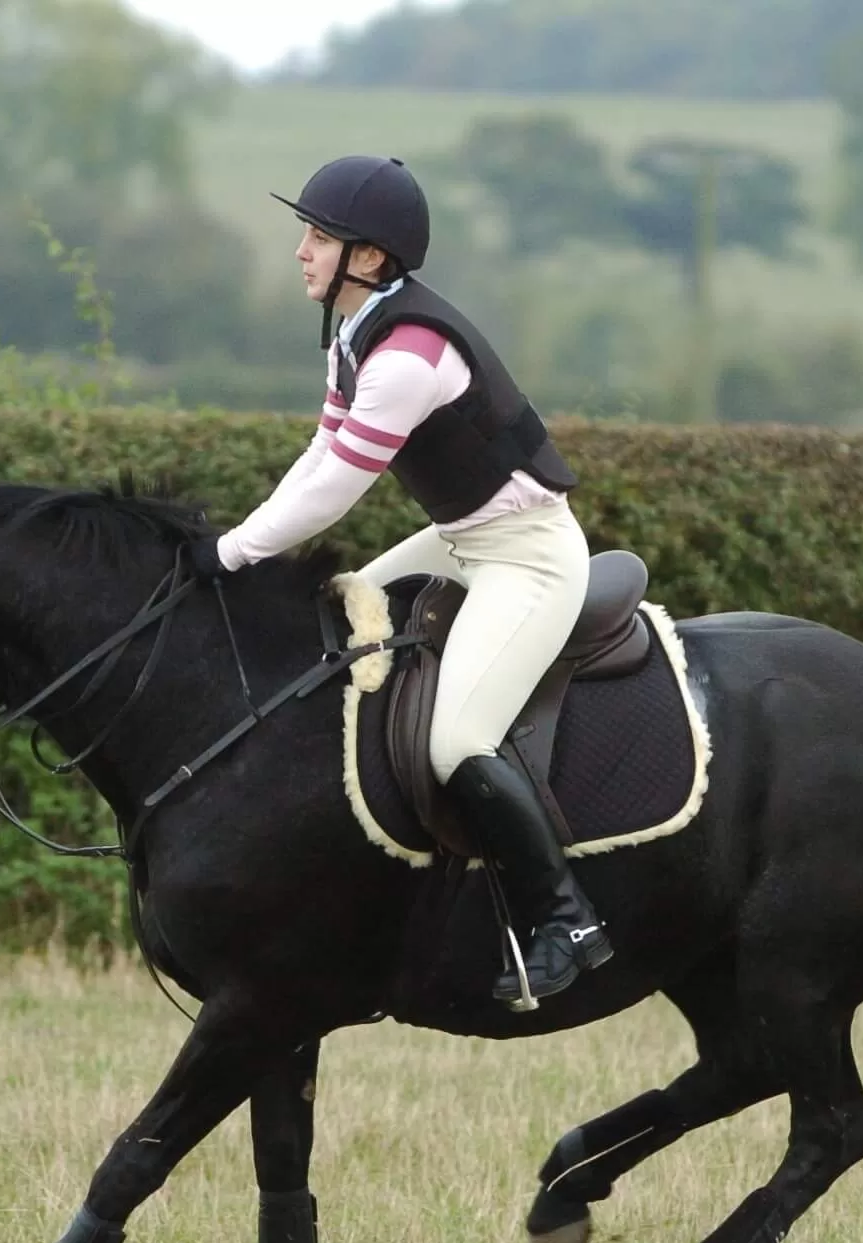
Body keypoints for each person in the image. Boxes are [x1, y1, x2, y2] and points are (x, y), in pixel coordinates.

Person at [187, 154, 611, 1006]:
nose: (301, 251)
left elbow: (338, 490)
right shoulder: (357, 330)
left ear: (369, 259)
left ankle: (565, 919)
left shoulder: (408, 356)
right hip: (463, 541)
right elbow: (317, 459)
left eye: (319, 236)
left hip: (527, 559)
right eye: (305, 233)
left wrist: (229, 555)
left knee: (458, 742)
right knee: (340, 625)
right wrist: (238, 546)